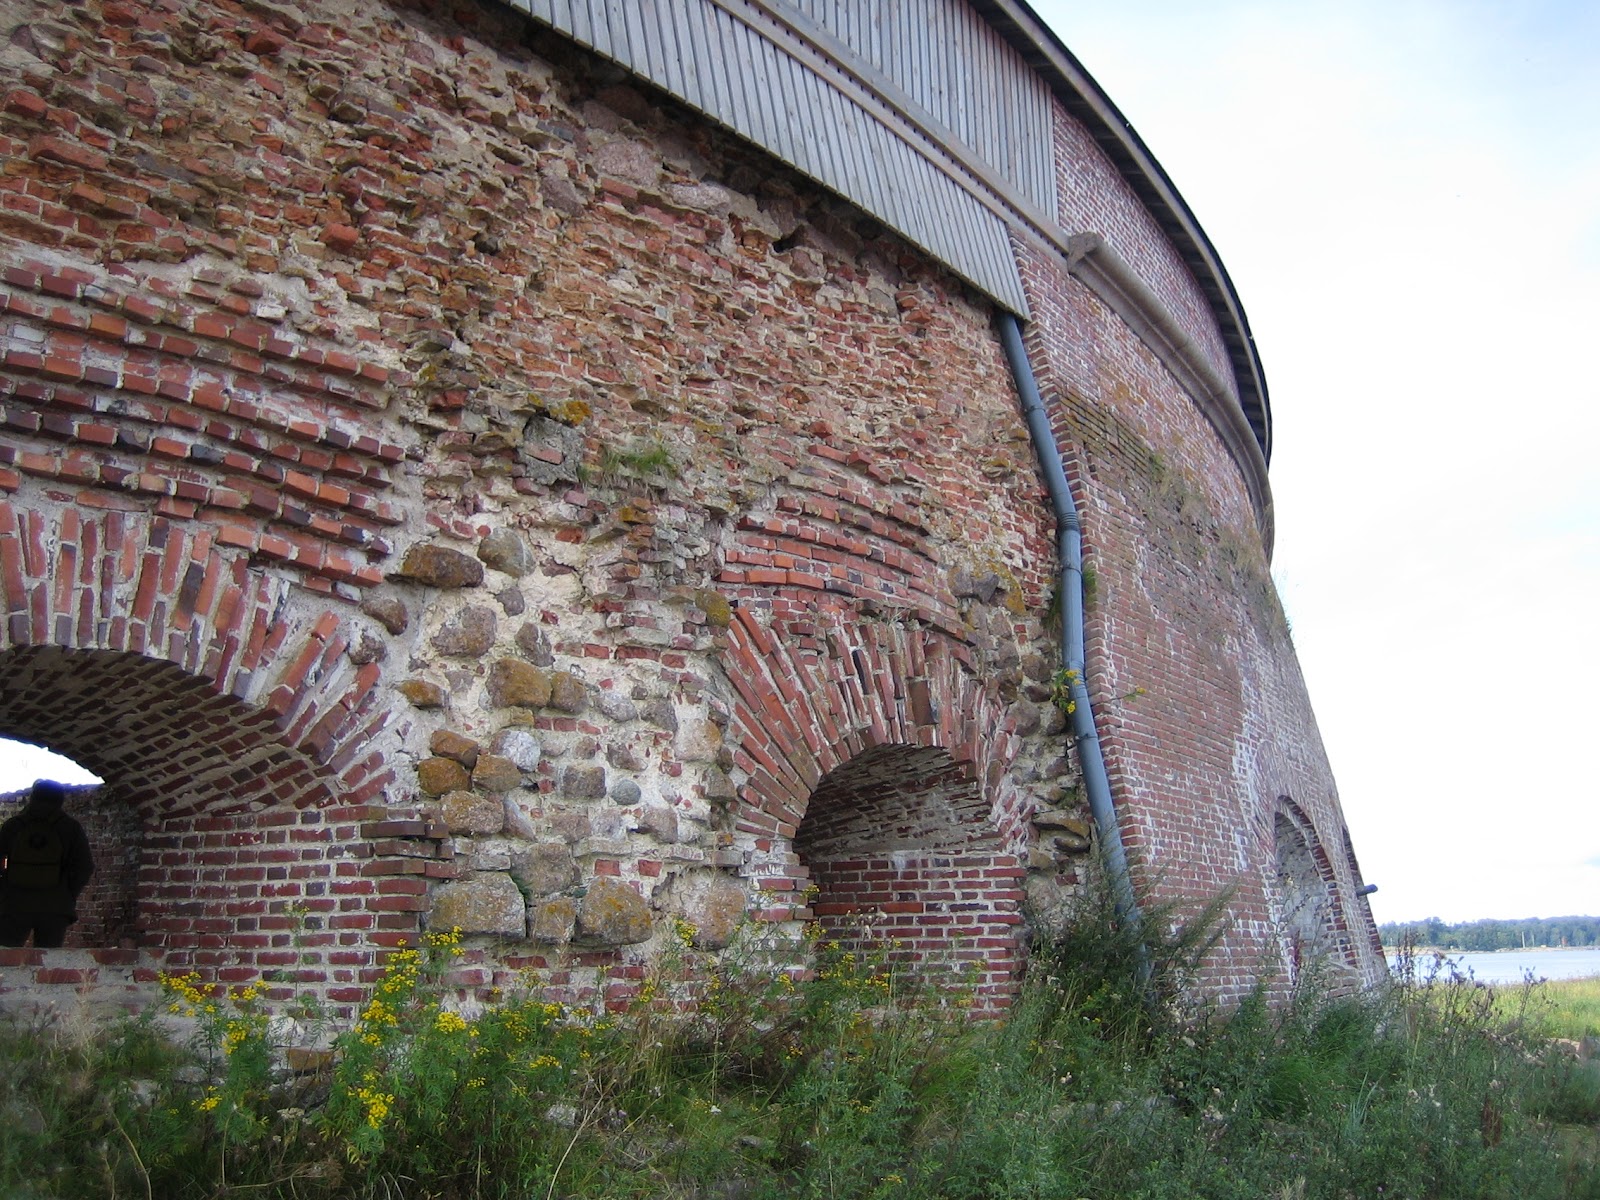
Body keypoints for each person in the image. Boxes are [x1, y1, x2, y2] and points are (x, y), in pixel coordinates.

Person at [0, 779, 95, 949]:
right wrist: (68, 893)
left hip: (15, 904)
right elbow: (84, 867)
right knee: (49, 960)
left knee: (6, 958)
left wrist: (4, 889)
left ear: (33, 797)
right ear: (60, 800)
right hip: (55, 906)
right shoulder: (70, 828)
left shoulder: (13, 826)